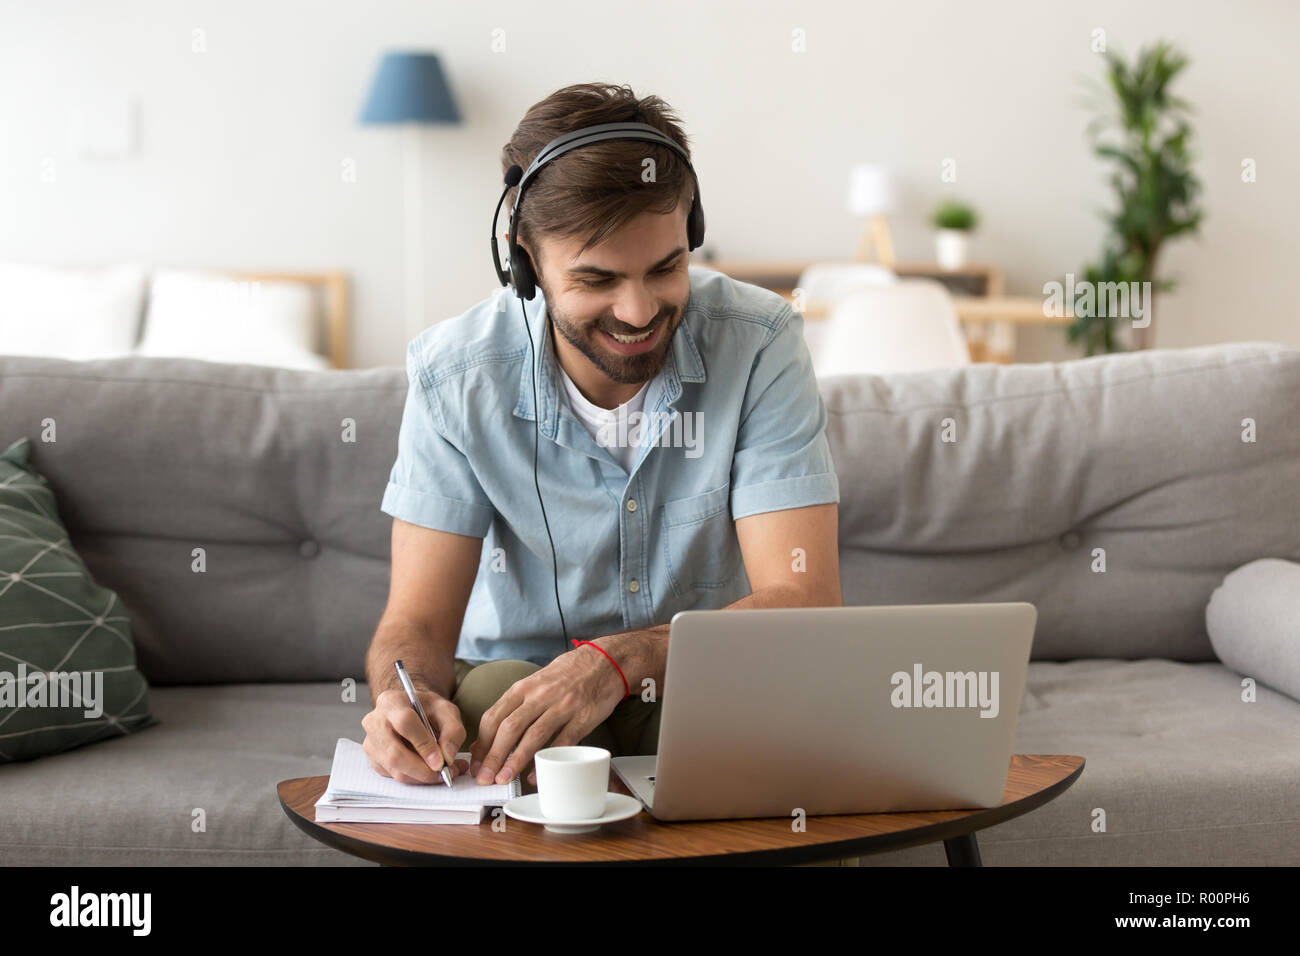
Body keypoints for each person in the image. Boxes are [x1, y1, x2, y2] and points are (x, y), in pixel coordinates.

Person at [361, 83, 845, 860]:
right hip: (515, 705)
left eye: (665, 268)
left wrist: (620, 661)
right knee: (488, 696)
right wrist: (401, 701)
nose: (638, 309)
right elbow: (415, 625)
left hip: (698, 689)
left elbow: (805, 601)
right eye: (596, 280)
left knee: (781, 725)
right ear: (525, 264)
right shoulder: (455, 376)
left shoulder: (759, 343)